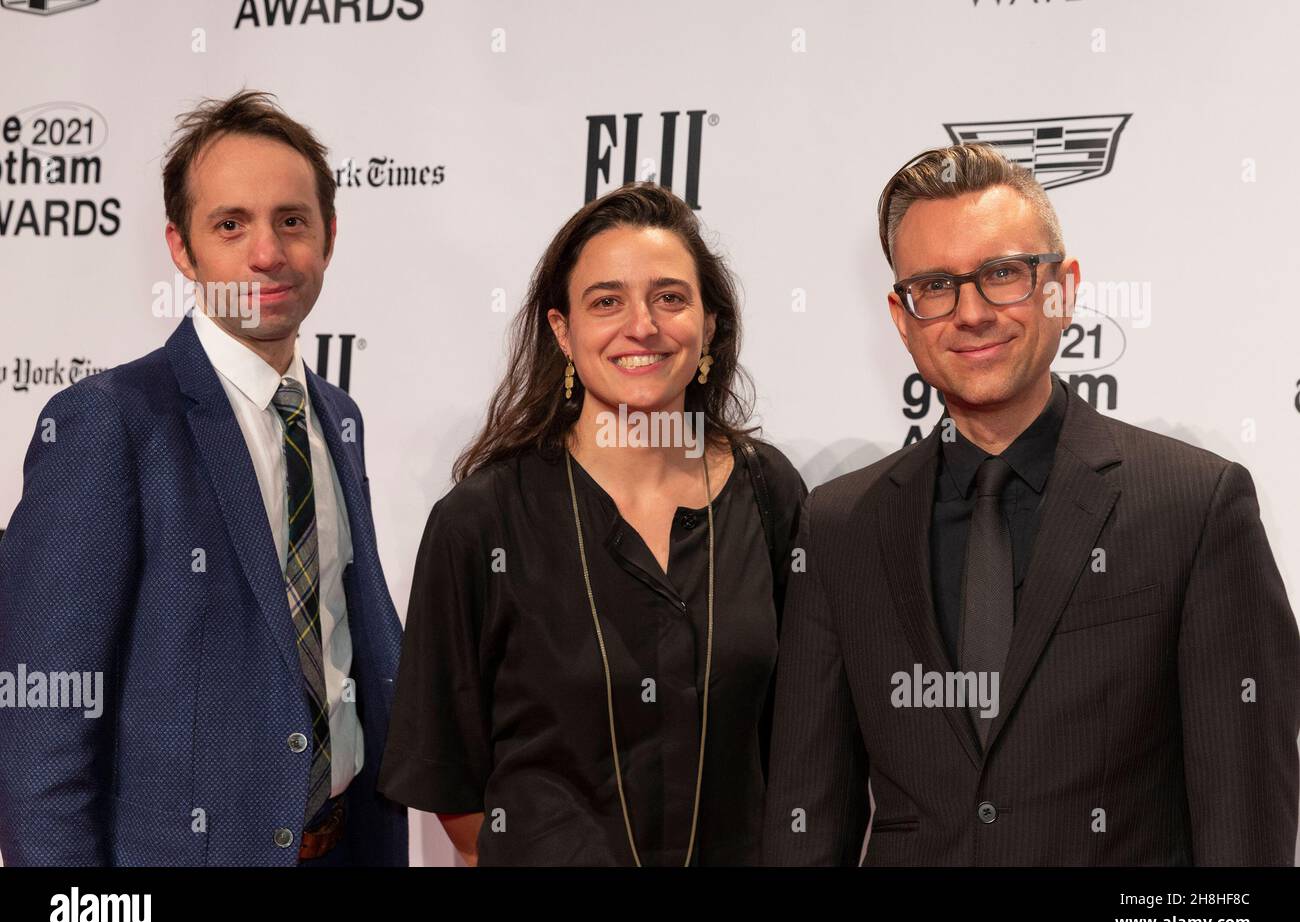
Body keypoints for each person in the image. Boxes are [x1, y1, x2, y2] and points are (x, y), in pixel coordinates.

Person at [761, 143, 1300, 866]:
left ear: (1063, 287)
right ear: (902, 314)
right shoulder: (837, 527)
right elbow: (806, 815)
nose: (971, 313)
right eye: (935, 285)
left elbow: (1244, 828)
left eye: (1003, 274)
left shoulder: (1195, 505)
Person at [0, 91, 408, 866]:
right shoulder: (108, 423)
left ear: (329, 234)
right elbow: (40, 729)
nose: (267, 253)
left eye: (292, 220)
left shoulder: (335, 416)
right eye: (231, 224)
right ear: (181, 250)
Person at [378, 183, 805, 866]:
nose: (643, 325)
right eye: (607, 301)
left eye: (670, 297)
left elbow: (800, 739)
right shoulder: (480, 522)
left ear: (710, 325)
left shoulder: (769, 491)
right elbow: (450, 778)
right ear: (562, 331)